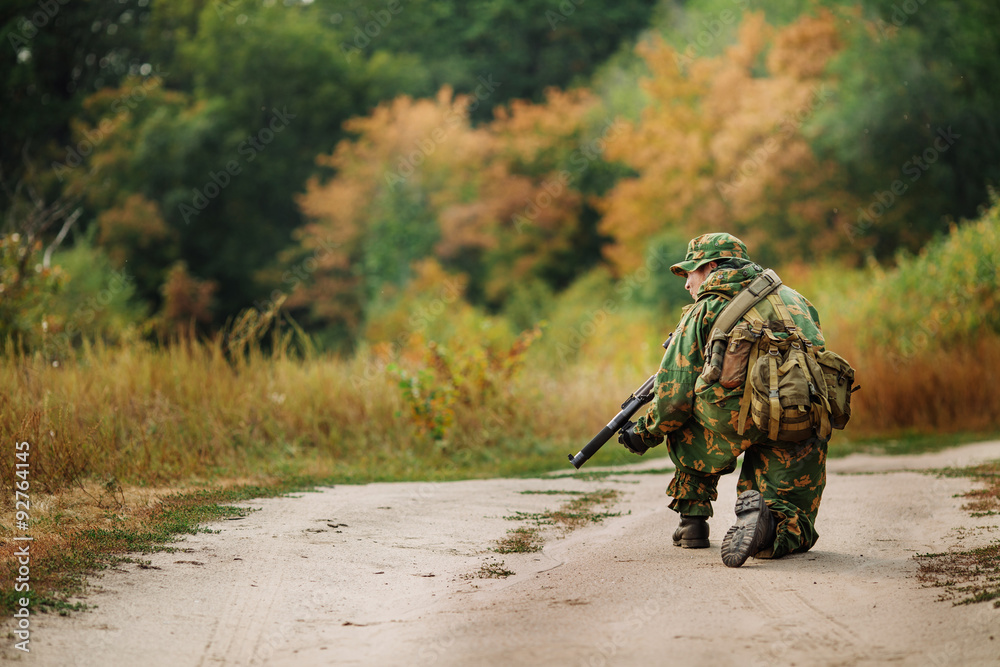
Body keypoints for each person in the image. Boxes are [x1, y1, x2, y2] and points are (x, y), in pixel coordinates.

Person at [618, 232, 829, 567]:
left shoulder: (705, 308)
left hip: (731, 419)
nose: (687, 284)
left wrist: (644, 432)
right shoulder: (796, 300)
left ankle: (693, 522)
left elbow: (673, 397)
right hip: (798, 416)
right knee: (792, 510)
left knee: (686, 417)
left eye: (691, 273)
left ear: (712, 266)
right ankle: (768, 527)